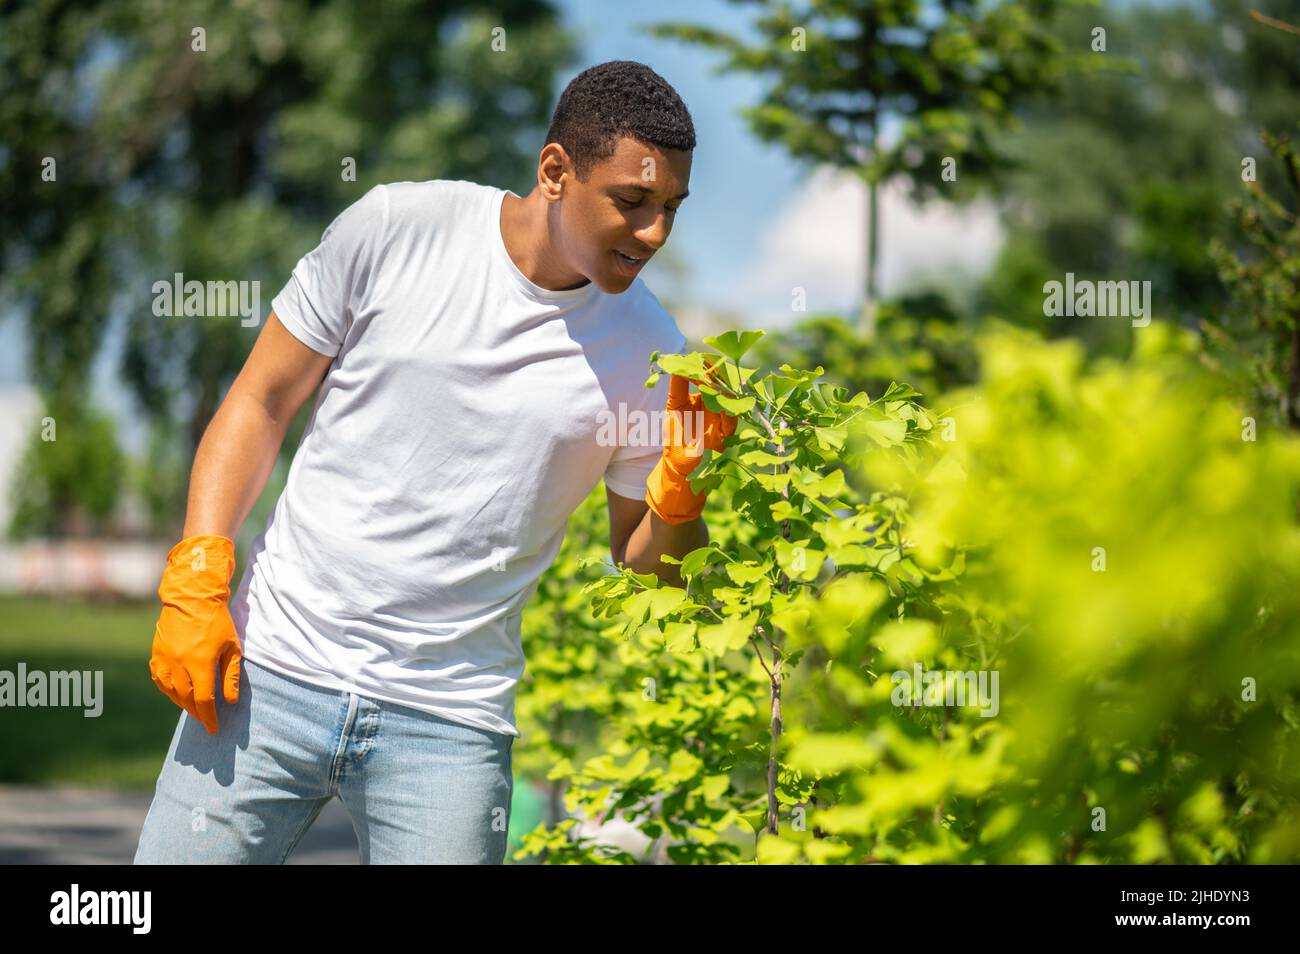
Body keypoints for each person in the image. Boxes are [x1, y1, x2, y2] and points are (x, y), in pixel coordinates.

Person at [133, 59, 736, 865]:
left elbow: (647, 569)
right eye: (633, 201)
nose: (656, 232)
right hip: (270, 670)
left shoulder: (651, 353)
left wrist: (683, 495)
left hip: (449, 722)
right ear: (555, 171)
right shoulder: (395, 229)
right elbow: (260, 402)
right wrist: (200, 567)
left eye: (671, 209)